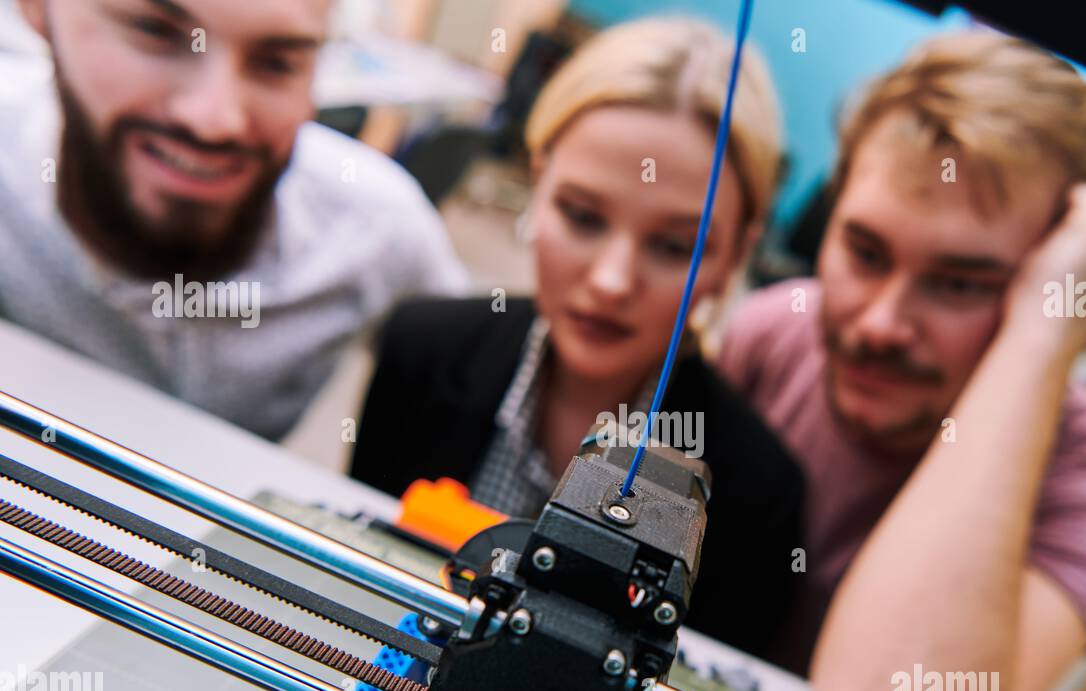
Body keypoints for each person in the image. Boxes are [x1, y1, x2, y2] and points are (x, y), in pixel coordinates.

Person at [718, 32, 1086, 691]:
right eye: (865, 253)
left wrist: (1047, 335)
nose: (879, 326)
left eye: (960, 283)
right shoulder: (774, 331)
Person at [351, 17, 804, 653]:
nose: (613, 281)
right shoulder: (421, 349)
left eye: (676, 245)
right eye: (583, 216)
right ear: (539, 183)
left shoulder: (757, 492)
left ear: (734, 258)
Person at [0, 0, 467, 440]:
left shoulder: (377, 230)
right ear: (38, 8)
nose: (214, 120)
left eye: (278, 62)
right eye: (154, 31)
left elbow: (481, 381)